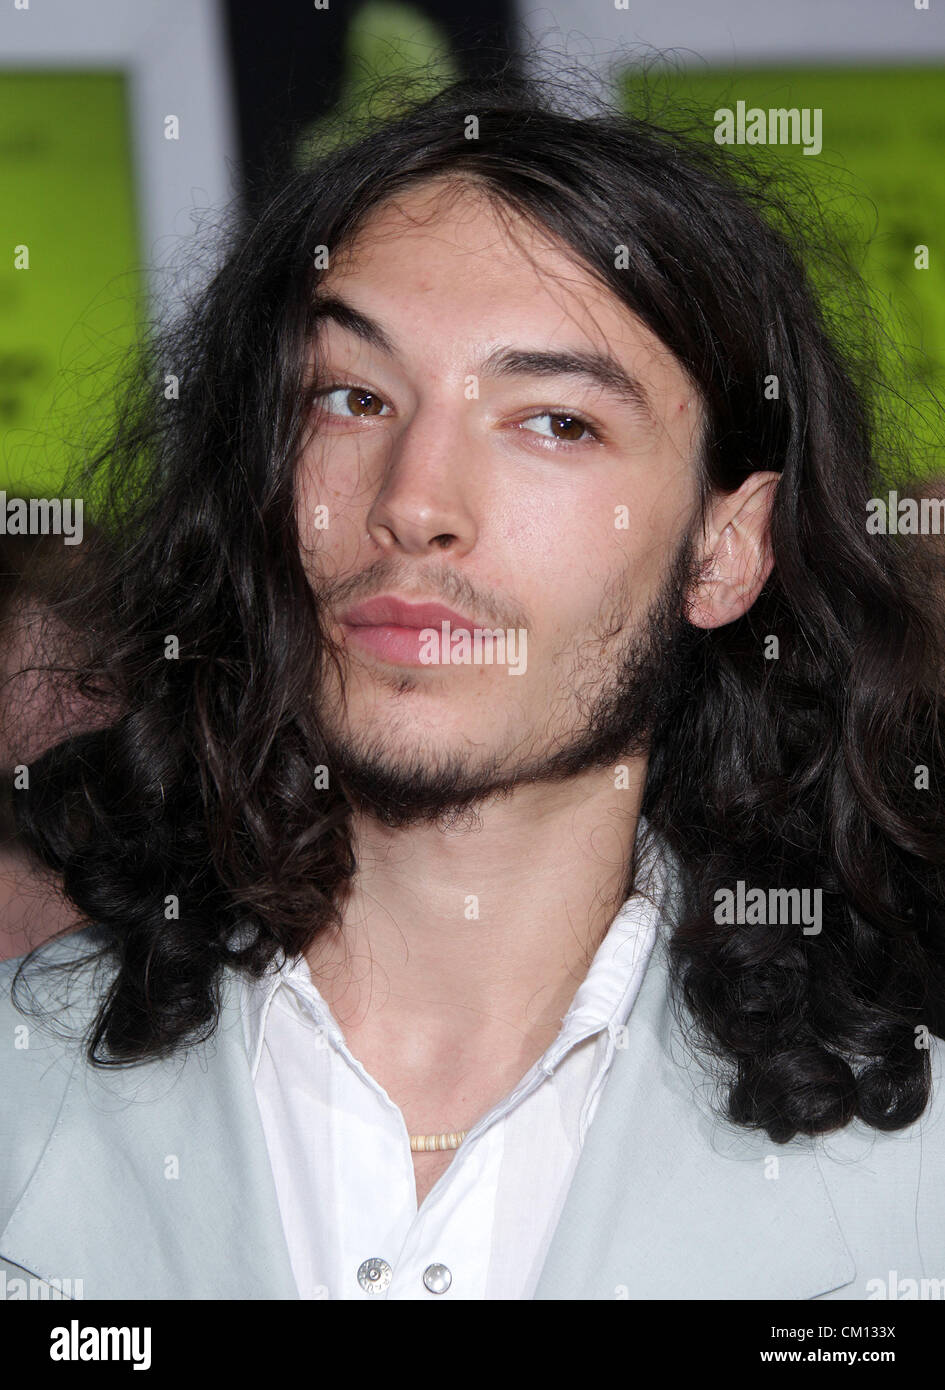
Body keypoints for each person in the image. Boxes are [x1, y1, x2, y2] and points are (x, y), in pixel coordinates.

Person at [2, 71, 944, 1302]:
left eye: (554, 422)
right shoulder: (27, 1091)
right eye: (352, 397)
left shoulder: (909, 1197)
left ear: (725, 548)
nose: (413, 502)